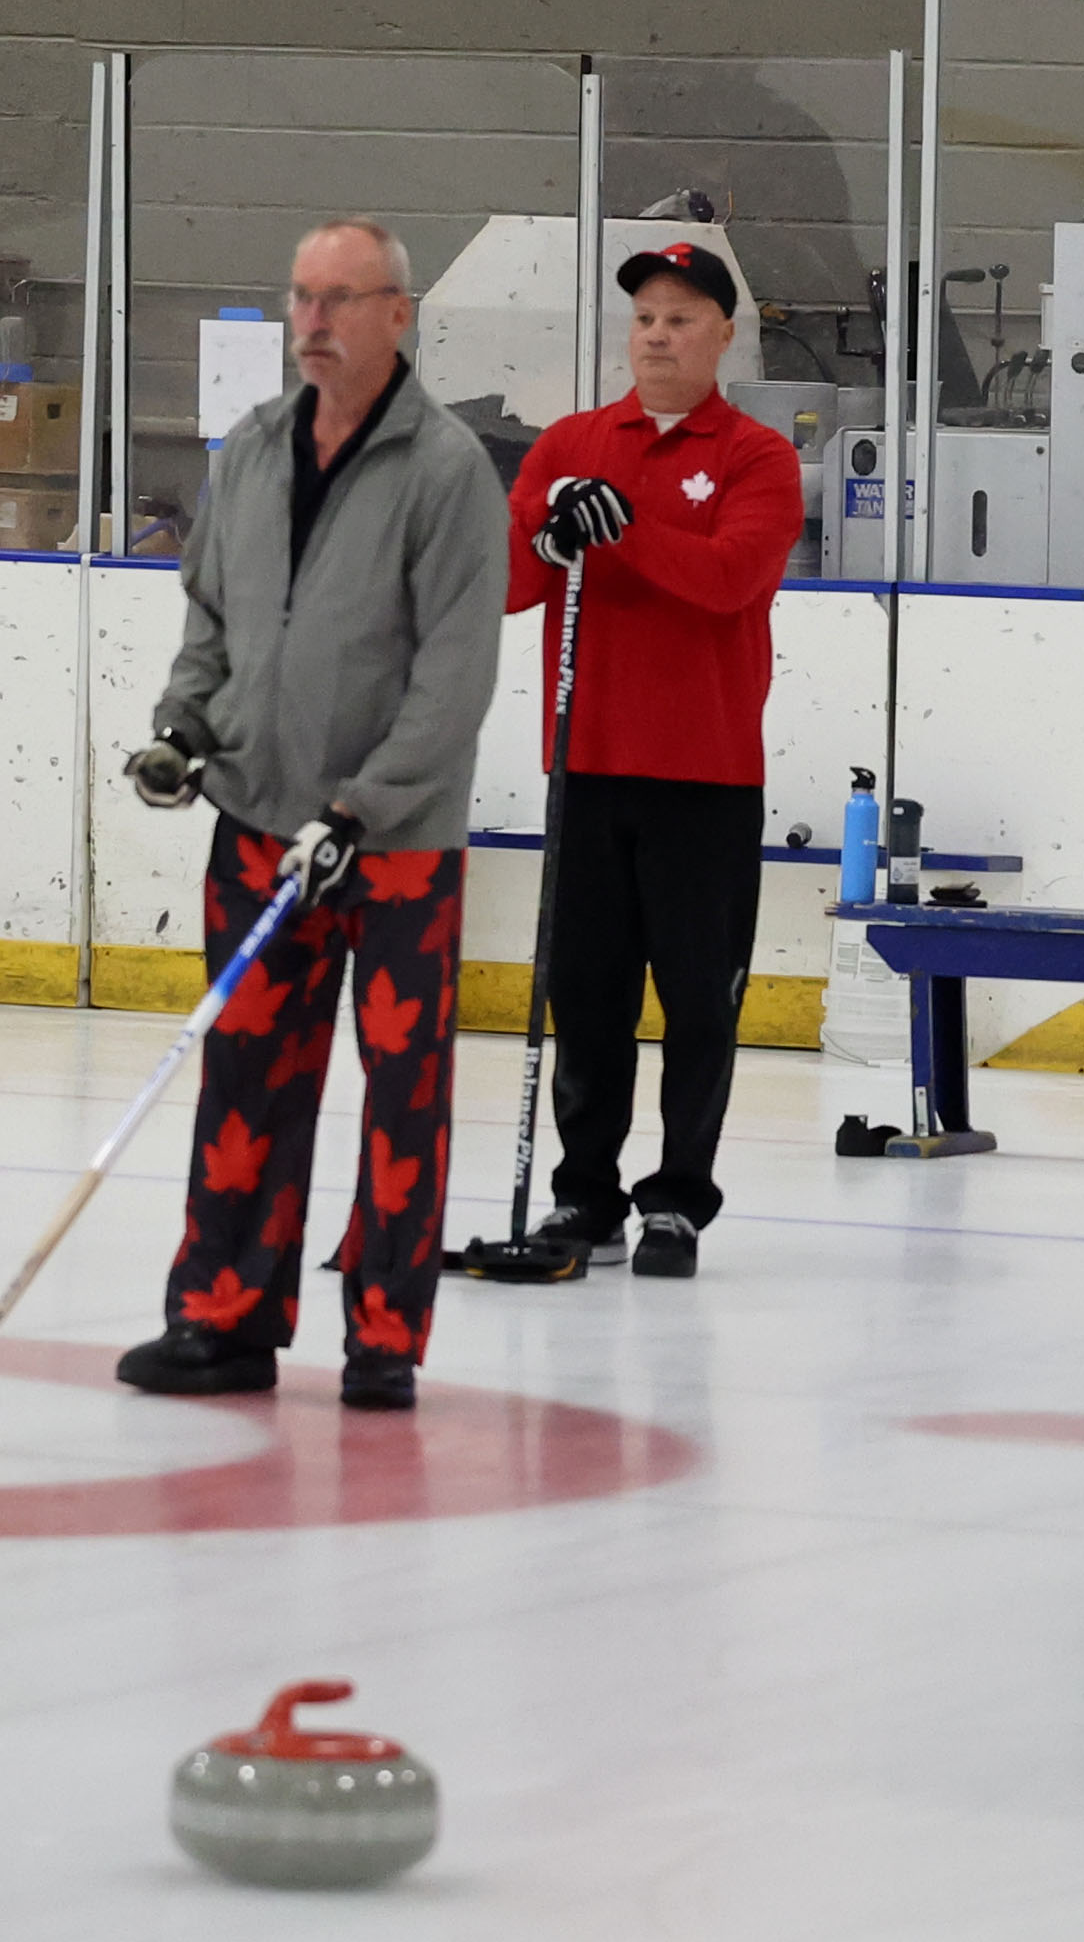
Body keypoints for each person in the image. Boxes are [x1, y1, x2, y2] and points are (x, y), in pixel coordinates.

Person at [114, 219, 507, 1415]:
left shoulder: (445, 473)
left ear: (400, 315)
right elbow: (214, 625)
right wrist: (184, 731)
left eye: (343, 299)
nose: (316, 323)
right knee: (246, 1078)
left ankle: (382, 1337)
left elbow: (454, 680)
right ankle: (222, 1320)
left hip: (390, 850)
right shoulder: (250, 452)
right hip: (255, 829)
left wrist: (363, 807)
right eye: (302, 299)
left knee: (402, 1095)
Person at [505, 238, 805, 1279]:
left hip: (705, 778)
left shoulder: (755, 457)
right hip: (587, 764)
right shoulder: (572, 444)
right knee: (586, 995)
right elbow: (503, 582)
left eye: (681, 317)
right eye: (644, 318)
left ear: (724, 334)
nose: (658, 335)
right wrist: (549, 535)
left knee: (695, 998)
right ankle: (582, 1191)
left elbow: (729, 578)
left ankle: (676, 1198)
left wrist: (619, 530)